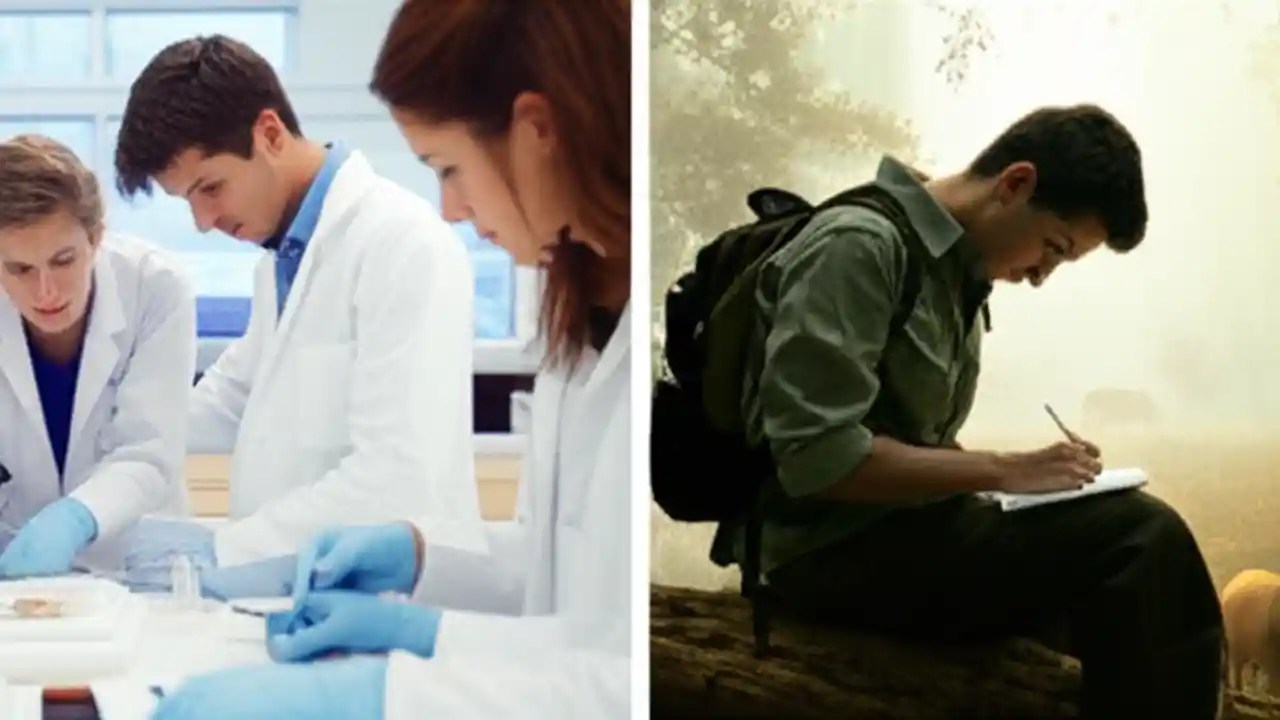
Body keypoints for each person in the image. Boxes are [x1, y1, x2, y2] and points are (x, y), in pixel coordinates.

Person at [149, 1, 631, 718]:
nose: (449, 208)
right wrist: (420, 570)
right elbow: (556, 583)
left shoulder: (403, 243)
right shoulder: (576, 325)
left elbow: (613, 676)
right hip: (375, 634)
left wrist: (379, 682)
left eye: (449, 167)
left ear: (537, 133)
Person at [703, 105, 1216, 717]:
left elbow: (903, 435)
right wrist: (1003, 471)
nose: (1039, 277)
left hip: (898, 531)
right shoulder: (860, 246)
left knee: (1104, 553)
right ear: (1015, 183)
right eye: (1053, 248)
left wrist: (1040, 485)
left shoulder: (953, 269)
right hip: (824, 556)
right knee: (1141, 540)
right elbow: (817, 458)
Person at [112, 34, 485, 573]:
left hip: (387, 599)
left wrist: (221, 550)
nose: (203, 221)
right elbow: (231, 396)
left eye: (210, 187)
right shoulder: (283, 256)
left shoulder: (402, 243)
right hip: (299, 585)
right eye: (187, 200)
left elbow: (397, 473)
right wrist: (110, 443)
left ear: (269, 133)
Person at [0, 134, 194, 578]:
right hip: (12, 571)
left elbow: (148, 451)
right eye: (20, 269)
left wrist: (76, 518)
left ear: (95, 237)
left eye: (63, 260)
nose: (45, 291)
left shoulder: (155, 288)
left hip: (131, 563)